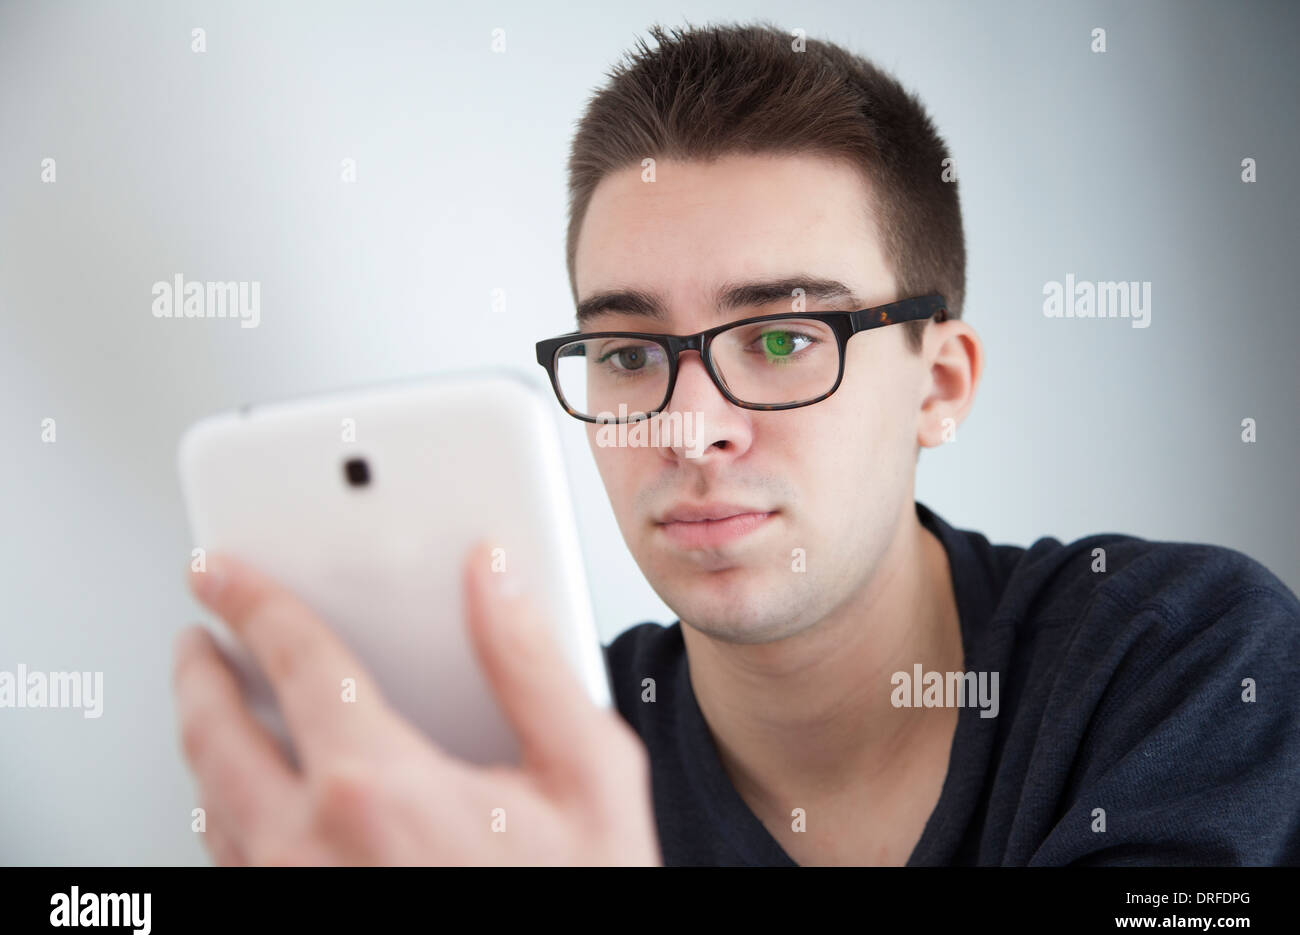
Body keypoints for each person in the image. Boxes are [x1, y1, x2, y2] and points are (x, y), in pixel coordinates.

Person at [172, 22, 1300, 866]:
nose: (687, 424)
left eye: (778, 338)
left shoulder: (1183, 659)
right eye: (625, 353)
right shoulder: (519, 765)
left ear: (938, 385)